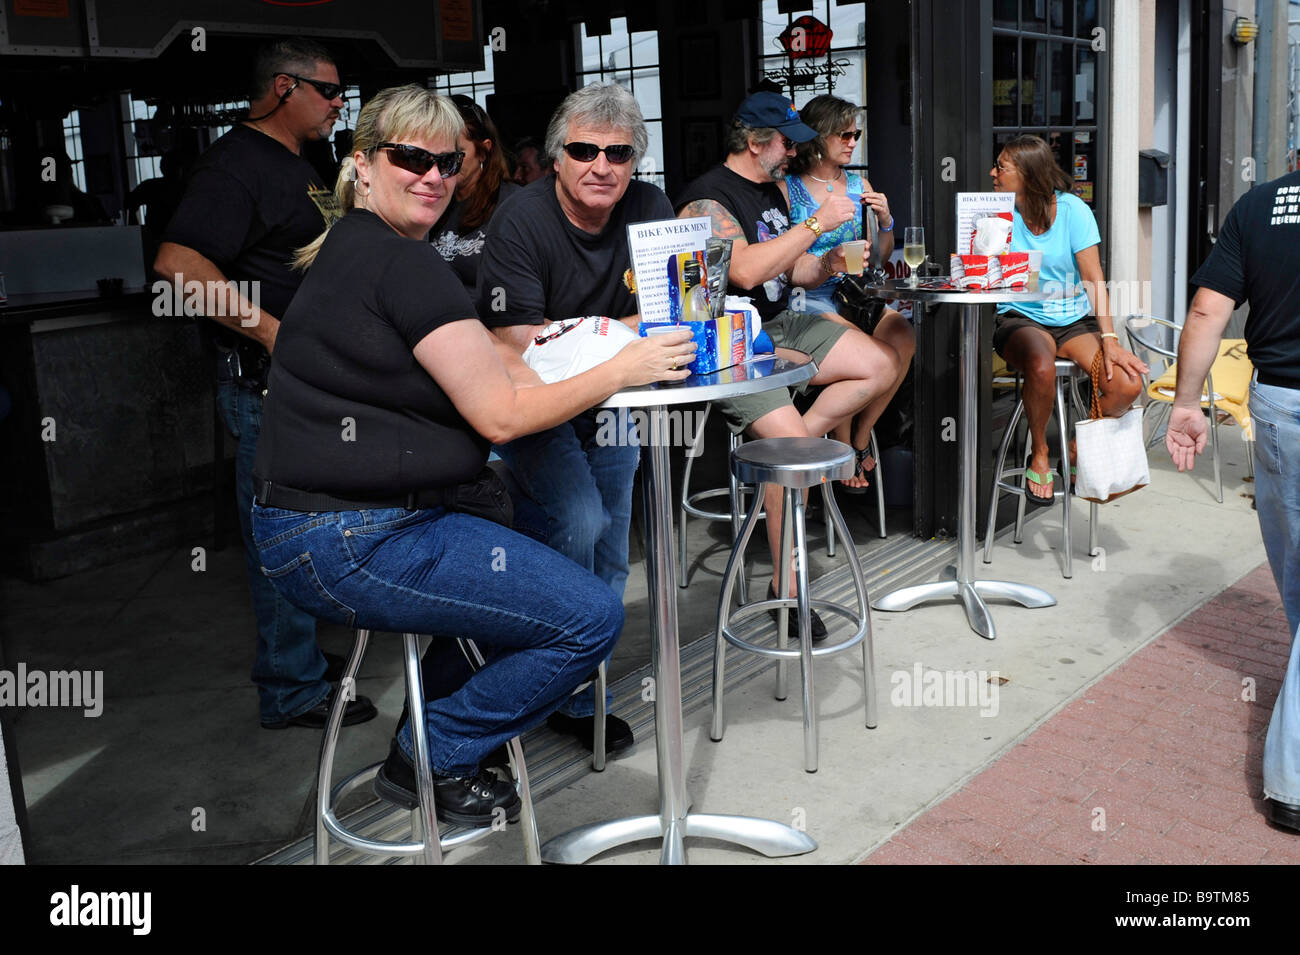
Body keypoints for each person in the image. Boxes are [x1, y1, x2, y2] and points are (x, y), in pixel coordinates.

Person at [250, 85, 694, 824]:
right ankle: (437, 749)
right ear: (363, 166)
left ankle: (435, 731)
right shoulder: (408, 264)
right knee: (588, 615)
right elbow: (501, 414)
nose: (431, 176)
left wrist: (573, 362)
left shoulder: (352, 249)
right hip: (358, 535)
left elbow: (493, 368)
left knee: (538, 536)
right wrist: (620, 369)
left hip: (316, 529)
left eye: (446, 162)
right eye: (410, 158)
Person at [154, 38, 376, 730]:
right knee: (280, 533)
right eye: (331, 91)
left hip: (315, 385)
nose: (341, 103)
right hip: (267, 386)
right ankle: (289, 686)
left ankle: (302, 660)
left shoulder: (303, 160)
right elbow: (179, 266)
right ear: (284, 87)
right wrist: (279, 334)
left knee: (317, 526)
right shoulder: (234, 166)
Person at [476, 83, 668, 753]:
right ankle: (522, 673)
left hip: (616, 399)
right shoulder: (520, 219)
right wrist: (620, 338)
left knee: (612, 541)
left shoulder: (648, 206)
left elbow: (679, 315)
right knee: (576, 522)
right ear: (557, 156)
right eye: (584, 149)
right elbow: (516, 343)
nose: (602, 165)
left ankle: (582, 690)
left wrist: (585, 339)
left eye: (619, 152)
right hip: (534, 399)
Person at [675, 90, 907, 639]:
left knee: (880, 364)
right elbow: (746, 274)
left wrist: (824, 261)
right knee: (794, 454)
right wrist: (817, 224)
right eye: (785, 142)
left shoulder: (771, 190)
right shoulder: (706, 201)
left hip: (777, 326)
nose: (793, 153)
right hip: (726, 342)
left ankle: (795, 451)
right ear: (756, 144)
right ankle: (787, 586)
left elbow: (790, 272)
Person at [1165, 167, 1300, 834]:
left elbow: (1206, 310)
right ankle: (1293, 780)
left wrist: (1187, 402)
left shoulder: (1259, 205)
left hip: (1278, 409)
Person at [989, 134, 1146, 505]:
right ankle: (1040, 452)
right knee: (1041, 364)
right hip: (1019, 315)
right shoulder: (997, 212)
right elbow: (982, 270)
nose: (992, 172)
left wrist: (1110, 339)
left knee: (1127, 383)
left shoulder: (1073, 210)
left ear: (1027, 175)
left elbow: (1093, 278)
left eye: (1002, 167)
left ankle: (1074, 452)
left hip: (1072, 319)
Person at [780, 93, 914, 490]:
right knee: (858, 350)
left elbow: (879, 259)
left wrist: (886, 221)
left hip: (856, 291)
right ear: (819, 136)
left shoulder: (859, 184)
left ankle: (860, 435)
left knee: (904, 337)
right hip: (812, 297)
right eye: (844, 134)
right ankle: (842, 449)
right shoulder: (790, 189)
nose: (853, 141)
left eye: (856, 133)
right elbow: (784, 260)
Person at [430, 95, 519, 295]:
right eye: (440, 154)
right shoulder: (432, 199)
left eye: (457, 153)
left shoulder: (513, 206)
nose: (446, 162)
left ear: (483, 151)